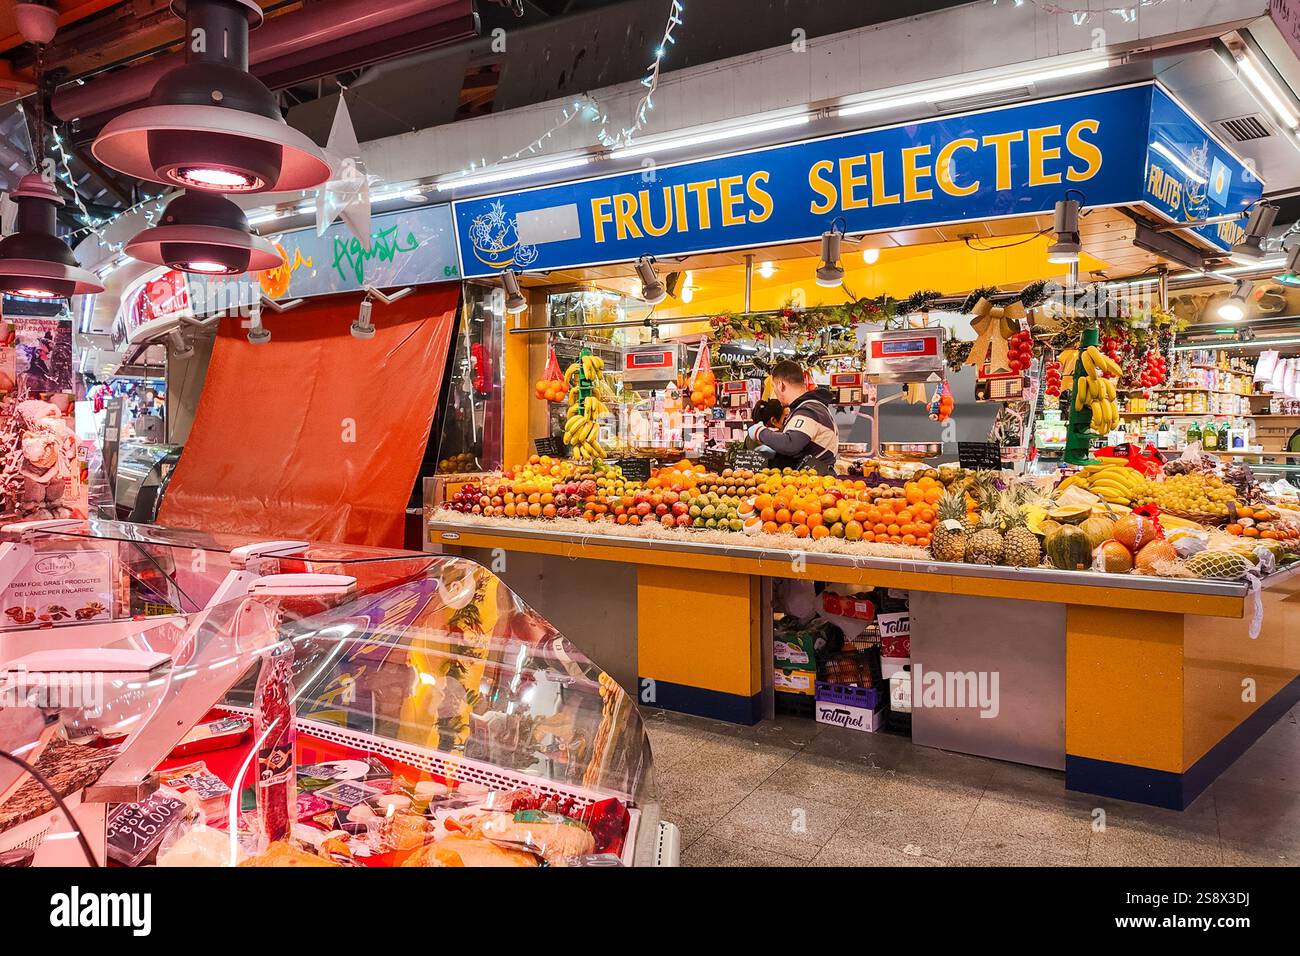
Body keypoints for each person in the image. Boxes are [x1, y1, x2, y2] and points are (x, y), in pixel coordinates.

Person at [747, 360, 838, 473]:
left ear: (780, 385)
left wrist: (759, 431)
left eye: (774, 387)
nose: (774, 393)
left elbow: (791, 444)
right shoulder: (811, 407)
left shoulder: (808, 410)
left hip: (816, 480)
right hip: (810, 478)